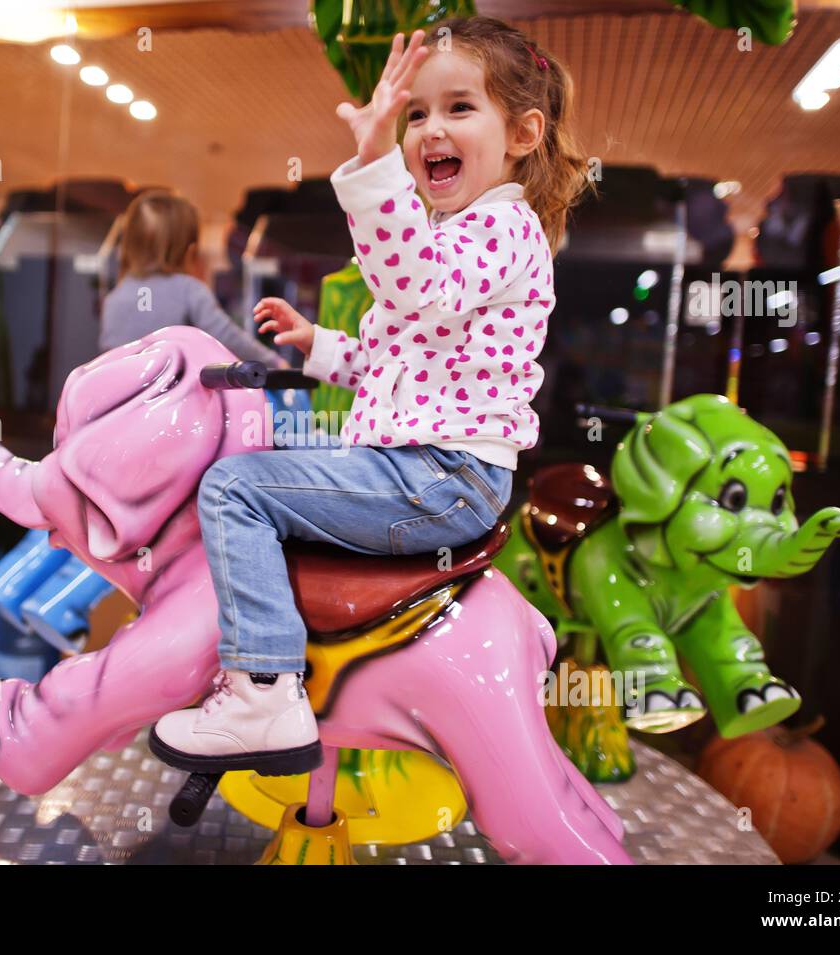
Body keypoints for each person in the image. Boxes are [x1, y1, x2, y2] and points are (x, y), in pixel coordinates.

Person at [151, 18, 594, 776]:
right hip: (428, 467)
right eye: (416, 114)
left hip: (439, 476)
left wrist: (370, 156)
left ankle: (262, 691)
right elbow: (399, 362)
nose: (428, 130)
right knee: (262, 471)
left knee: (231, 488)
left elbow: (415, 283)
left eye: (459, 108)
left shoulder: (503, 227)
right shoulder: (456, 233)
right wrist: (317, 343)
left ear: (523, 132)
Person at [98, 189, 286, 367]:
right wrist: (274, 363)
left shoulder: (114, 297)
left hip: (124, 399)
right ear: (190, 251)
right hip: (176, 398)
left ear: (127, 248)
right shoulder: (189, 290)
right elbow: (228, 338)